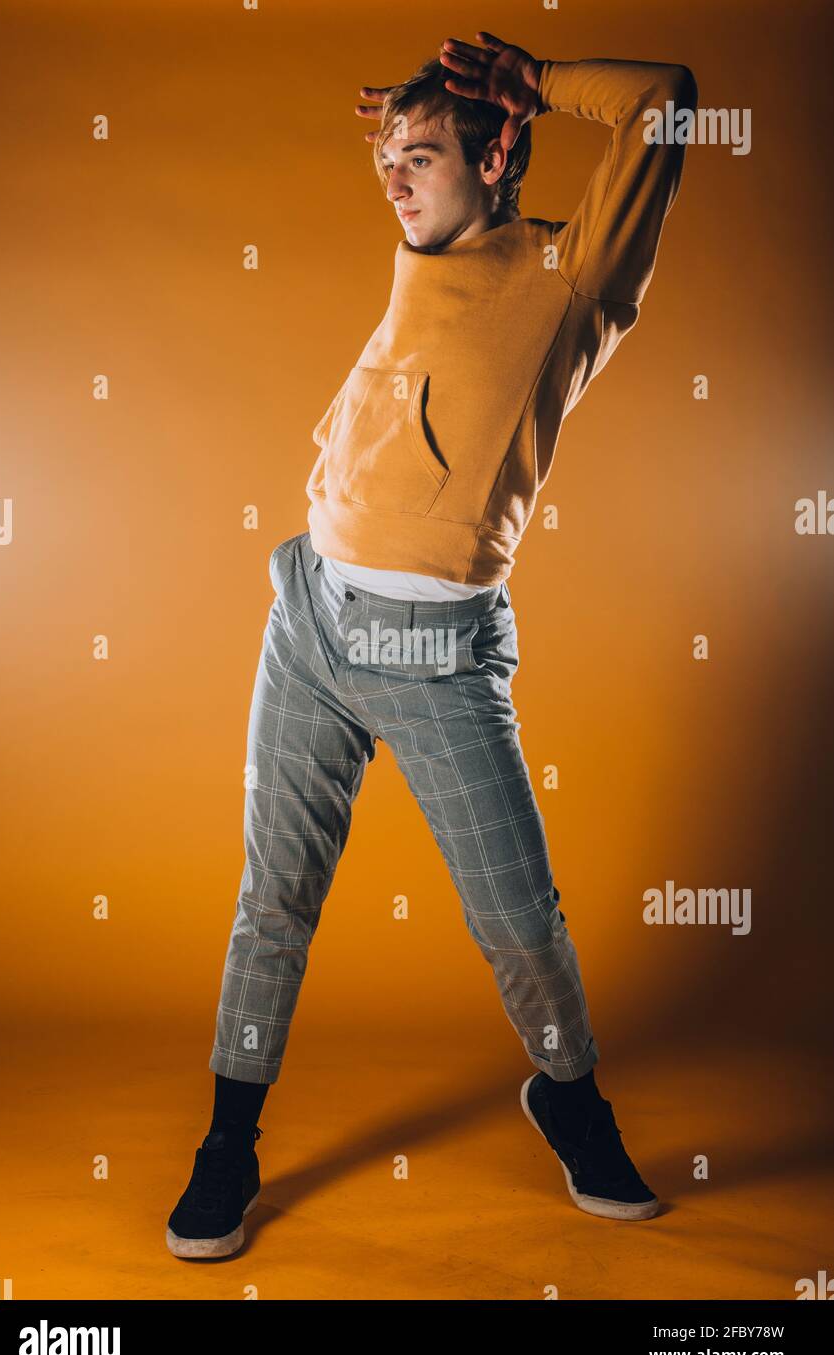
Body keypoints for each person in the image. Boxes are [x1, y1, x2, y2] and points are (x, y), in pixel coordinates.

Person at [167, 30, 698, 1259]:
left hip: (439, 655)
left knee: (519, 918)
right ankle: (229, 1137)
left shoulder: (573, 279)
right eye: (386, 160)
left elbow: (667, 105)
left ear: (496, 158)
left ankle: (567, 1095)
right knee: (274, 897)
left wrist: (538, 82)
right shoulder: (421, 256)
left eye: (420, 154)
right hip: (307, 619)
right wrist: (428, 126)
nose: (394, 178)